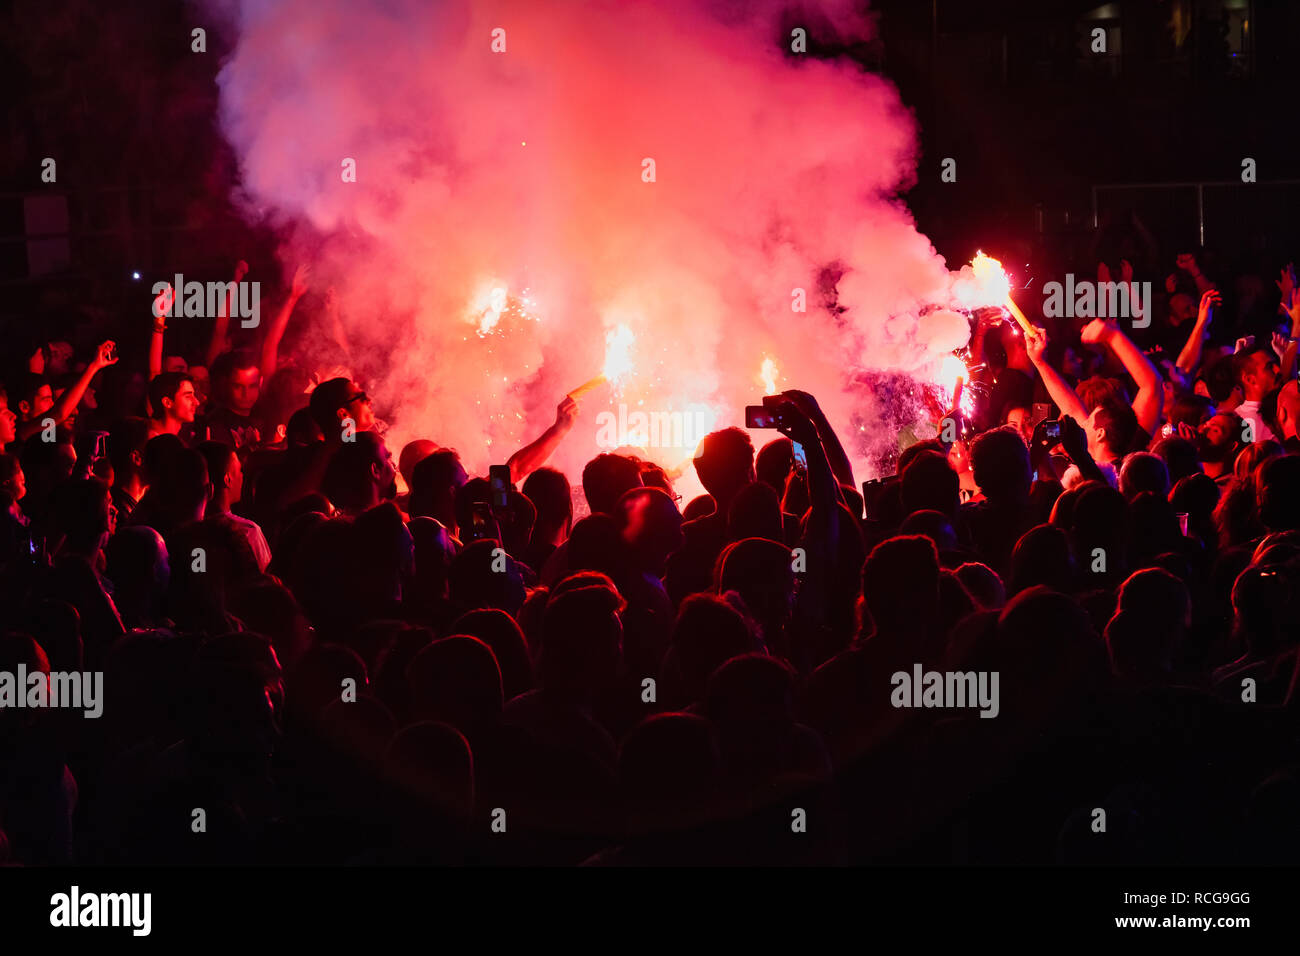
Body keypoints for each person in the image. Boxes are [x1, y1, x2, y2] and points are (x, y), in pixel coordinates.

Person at [197, 440, 272, 571]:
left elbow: (197, 571)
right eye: (239, 470)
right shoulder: (247, 531)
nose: (243, 476)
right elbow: (265, 583)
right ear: (227, 480)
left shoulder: (190, 531)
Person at [146, 371, 199, 440]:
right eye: (188, 396)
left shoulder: (181, 440)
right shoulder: (148, 443)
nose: (197, 402)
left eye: (194, 396)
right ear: (167, 402)